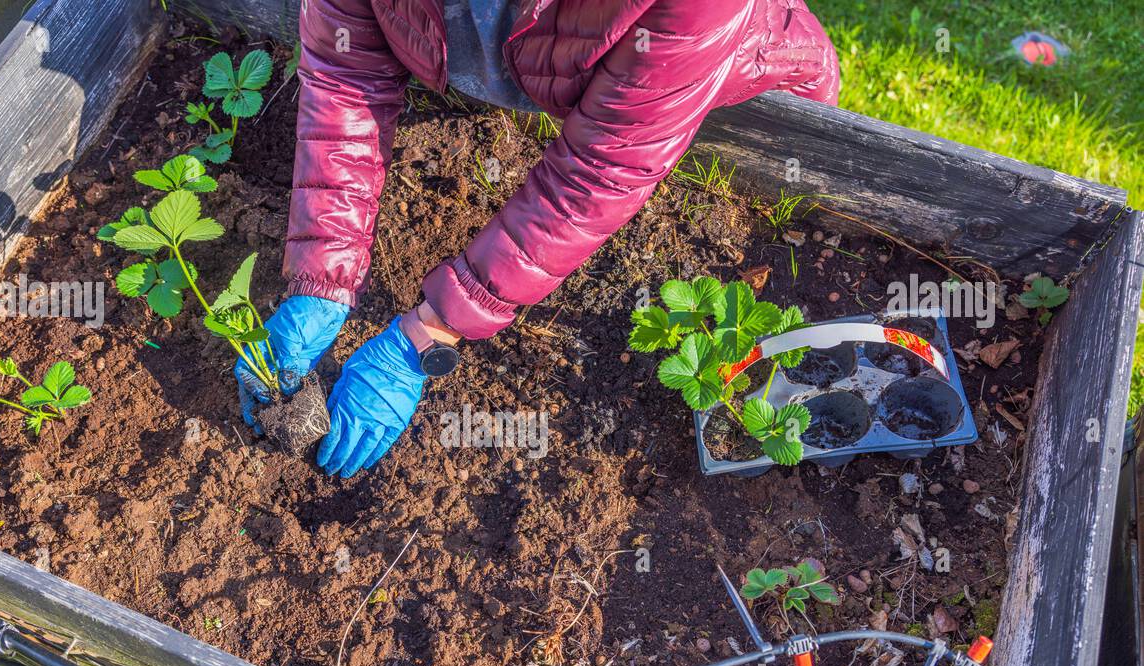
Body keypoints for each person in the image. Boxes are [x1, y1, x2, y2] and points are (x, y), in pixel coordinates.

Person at [236, 0, 840, 476]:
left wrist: (430, 333)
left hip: (727, 89)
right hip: (535, 76)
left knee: (783, 219)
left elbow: (599, 171)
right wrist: (323, 274)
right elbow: (347, 71)